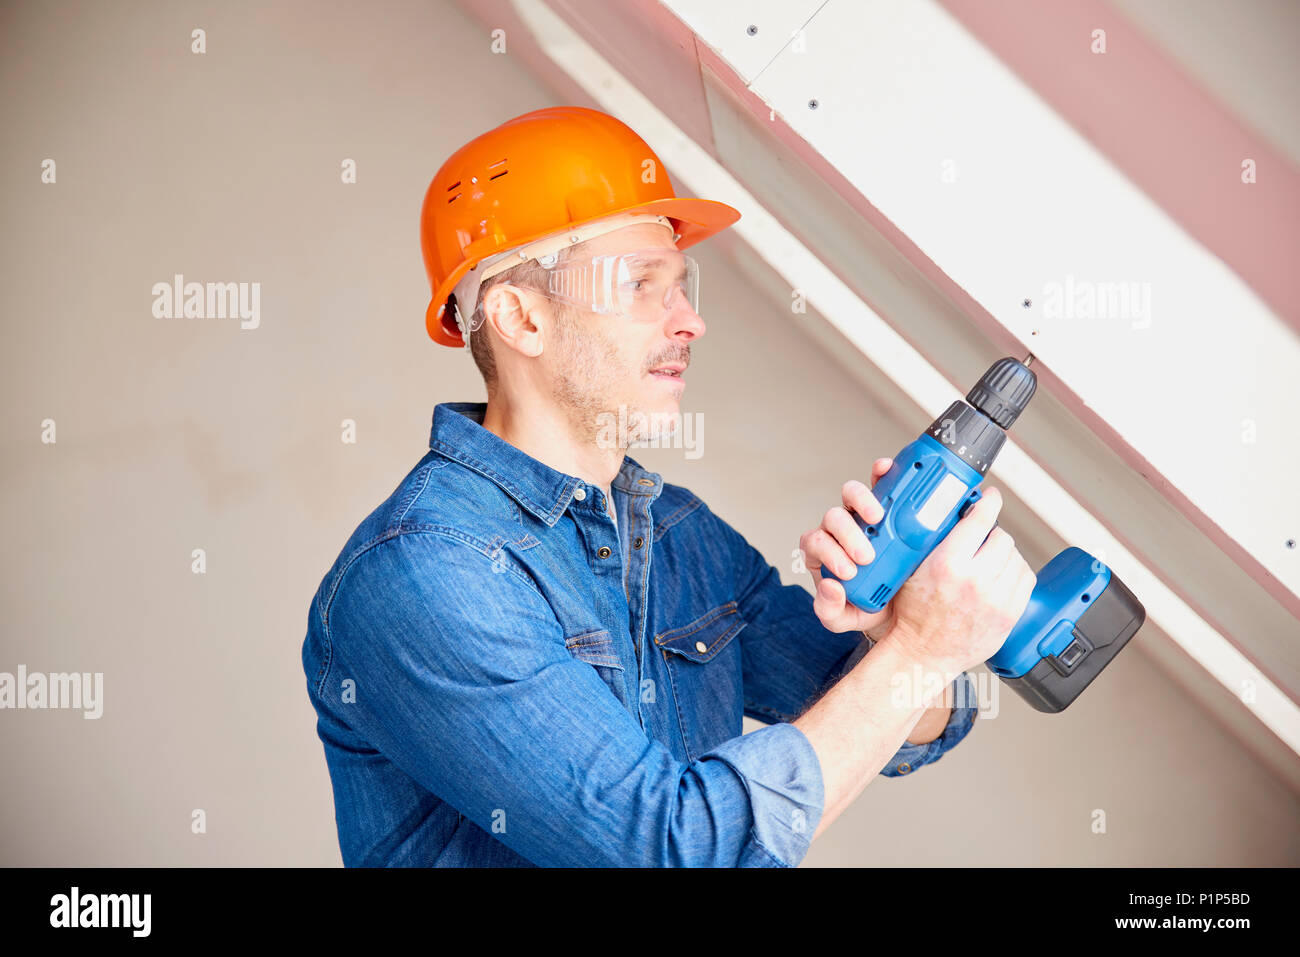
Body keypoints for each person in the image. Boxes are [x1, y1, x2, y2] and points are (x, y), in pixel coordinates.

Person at [300, 106, 1037, 867]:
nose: (689, 321)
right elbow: (672, 849)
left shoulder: (679, 532)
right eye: (641, 283)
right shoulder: (425, 573)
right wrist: (917, 651)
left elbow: (904, 721)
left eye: (681, 285)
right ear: (520, 318)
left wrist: (901, 625)